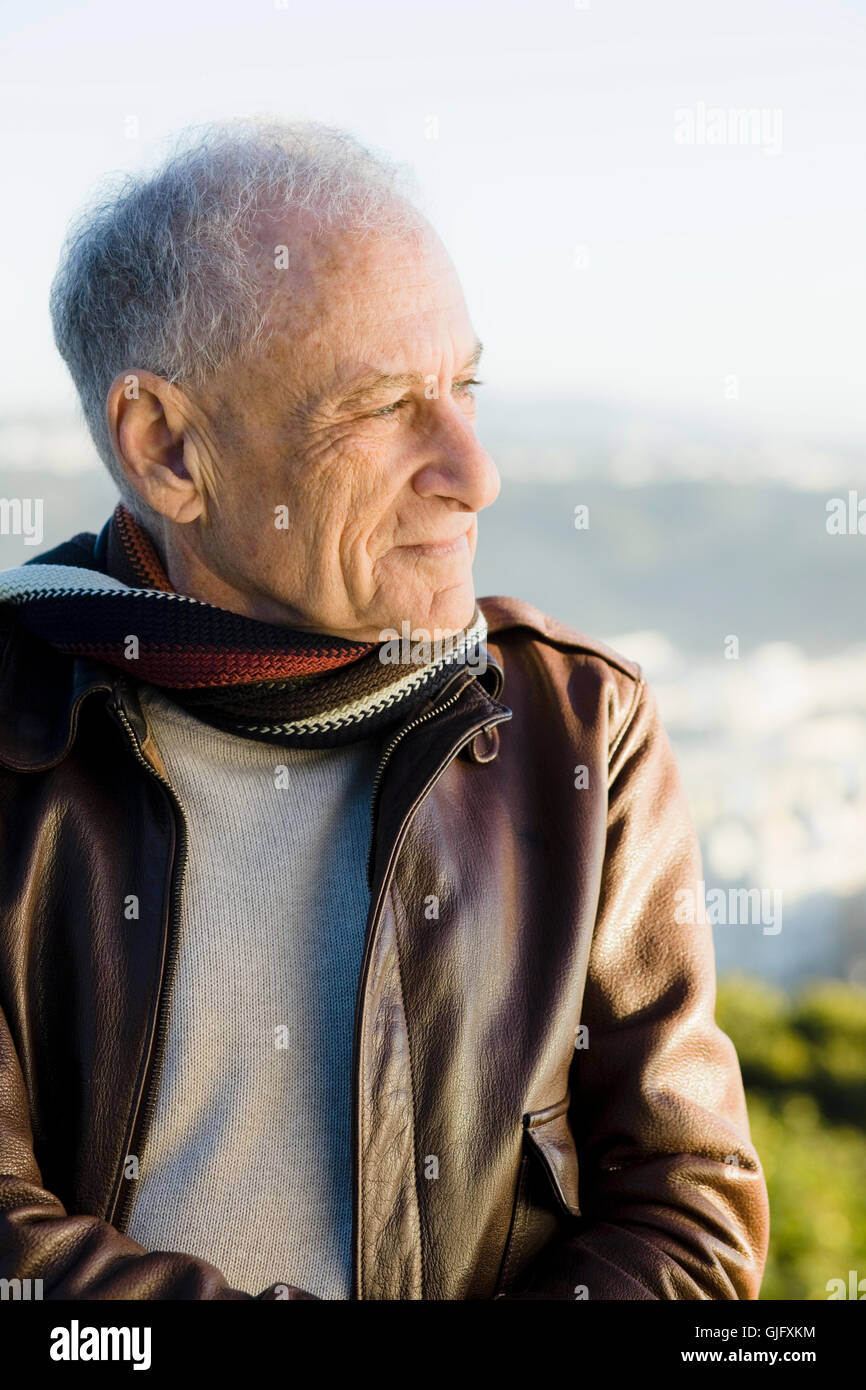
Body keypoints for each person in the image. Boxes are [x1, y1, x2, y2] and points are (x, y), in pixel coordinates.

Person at [0, 119, 769, 1300]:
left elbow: (687, 1210)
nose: (475, 471)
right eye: (379, 407)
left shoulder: (577, 732)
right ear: (165, 449)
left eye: (463, 386)